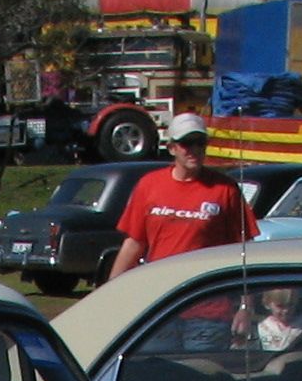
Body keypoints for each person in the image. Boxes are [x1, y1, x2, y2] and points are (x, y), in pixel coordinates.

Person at [105, 114, 246, 278]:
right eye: (187, 143)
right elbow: (135, 242)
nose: (194, 150)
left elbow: (241, 248)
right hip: (164, 291)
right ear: (172, 148)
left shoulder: (226, 188)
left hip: (207, 291)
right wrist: (110, 288)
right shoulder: (148, 185)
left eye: (200, 143)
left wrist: (246, 296)